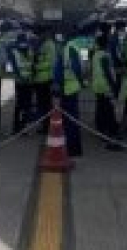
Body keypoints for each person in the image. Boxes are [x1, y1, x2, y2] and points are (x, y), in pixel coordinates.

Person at [55, 27, 89, 157]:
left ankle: (71, 148)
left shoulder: (66, 48)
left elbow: (60, 70)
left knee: (69, 121)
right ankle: (75, 149)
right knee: (73, 120)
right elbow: (81, 66)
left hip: (67, 88)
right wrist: (82, 82)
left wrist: (57, 86)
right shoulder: (78, 47)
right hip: (73, 88)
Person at [90, 33, 122, 151]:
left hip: (97, 85)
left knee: (100, 107)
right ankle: (110, 133)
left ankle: (100, 129)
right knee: (108, 109)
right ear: (106, 44)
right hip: (105, 86)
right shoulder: (105, 55)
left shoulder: (95, 55)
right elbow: (108, 72)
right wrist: (113, 86)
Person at [7, 32, 36, 133]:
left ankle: (24, 126)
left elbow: (32, 66)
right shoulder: (14, 52)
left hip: (28, 82)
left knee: (27, 105)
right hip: (20, 83)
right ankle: (16, 127)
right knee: (19, 105)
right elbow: (14, 68)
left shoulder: (30, 51)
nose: (23, 48)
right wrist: (21, 77)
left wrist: (31, 77)